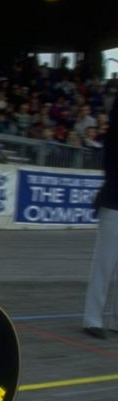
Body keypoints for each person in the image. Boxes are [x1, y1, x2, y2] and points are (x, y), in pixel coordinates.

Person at [82, 100, 118, 339]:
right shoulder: (113, 137)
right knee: (104, 264)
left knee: (106, 264)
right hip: (114, 202)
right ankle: (92, 318)